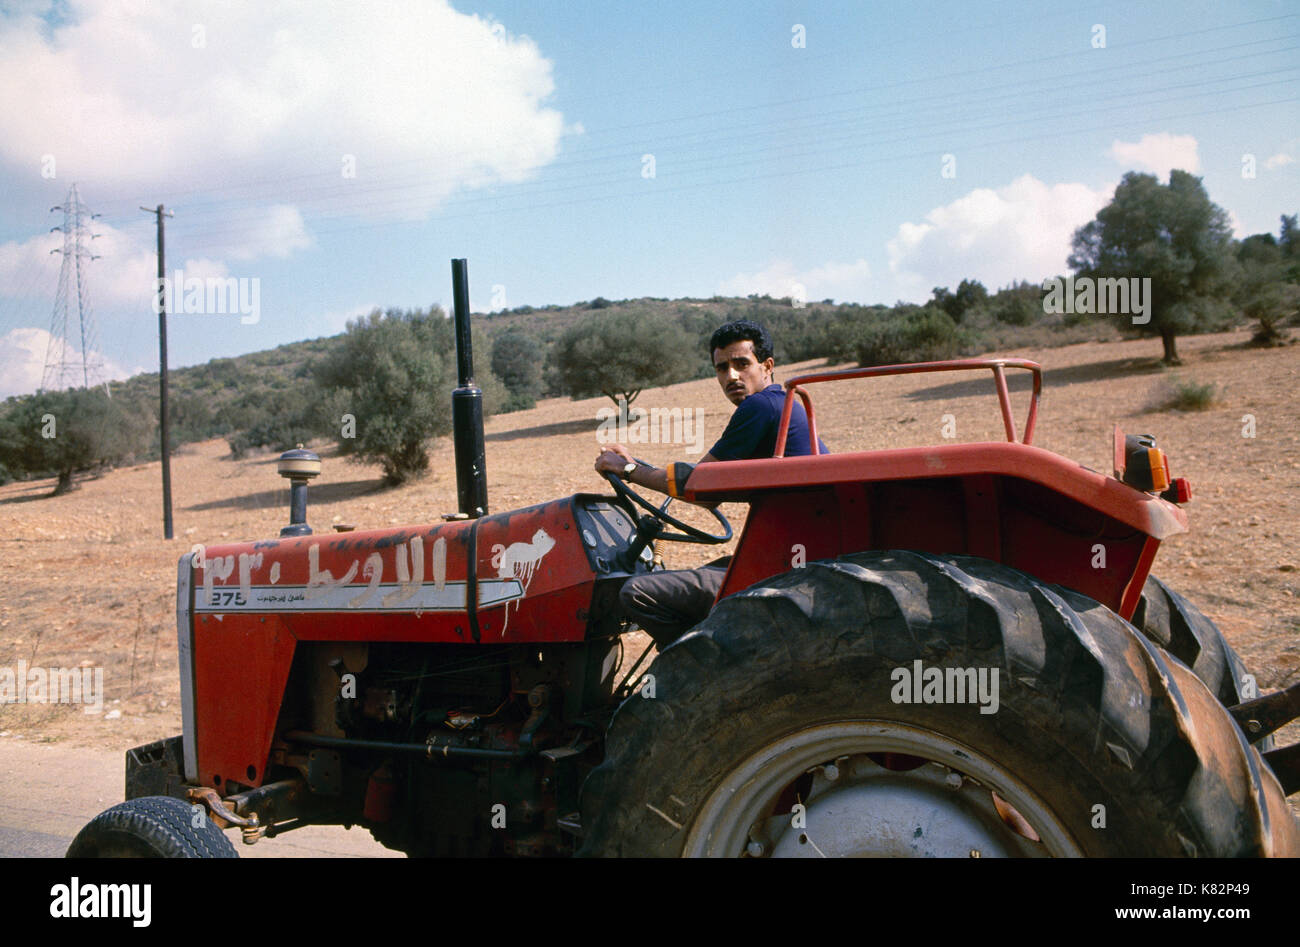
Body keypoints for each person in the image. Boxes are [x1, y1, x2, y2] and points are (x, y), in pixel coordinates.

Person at [594, 319, 827, 647]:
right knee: (705, 575)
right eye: (722, 368)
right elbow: (706, 493)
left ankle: (702, 669)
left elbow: (697, 486)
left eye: (741, 364)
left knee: (637, 592)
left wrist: (628, 469)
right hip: (796, 555)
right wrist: (631, 464)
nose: (731, 376)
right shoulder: (781, 405)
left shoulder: (760, 407)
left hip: (788, 564)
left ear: (767, 366)